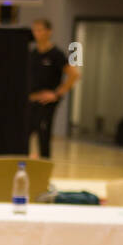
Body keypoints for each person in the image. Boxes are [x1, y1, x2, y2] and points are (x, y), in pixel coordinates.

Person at [27, 18, 79, 159]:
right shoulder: (32, 54)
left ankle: (44, 169)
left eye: (39, 30)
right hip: (30, 101)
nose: (36, 33)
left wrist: (56, 94)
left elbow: (74, 75)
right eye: (34, 30)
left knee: (43, 137)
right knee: (22, 135)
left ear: (49, 32)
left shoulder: (56, 54)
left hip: (46, 104)